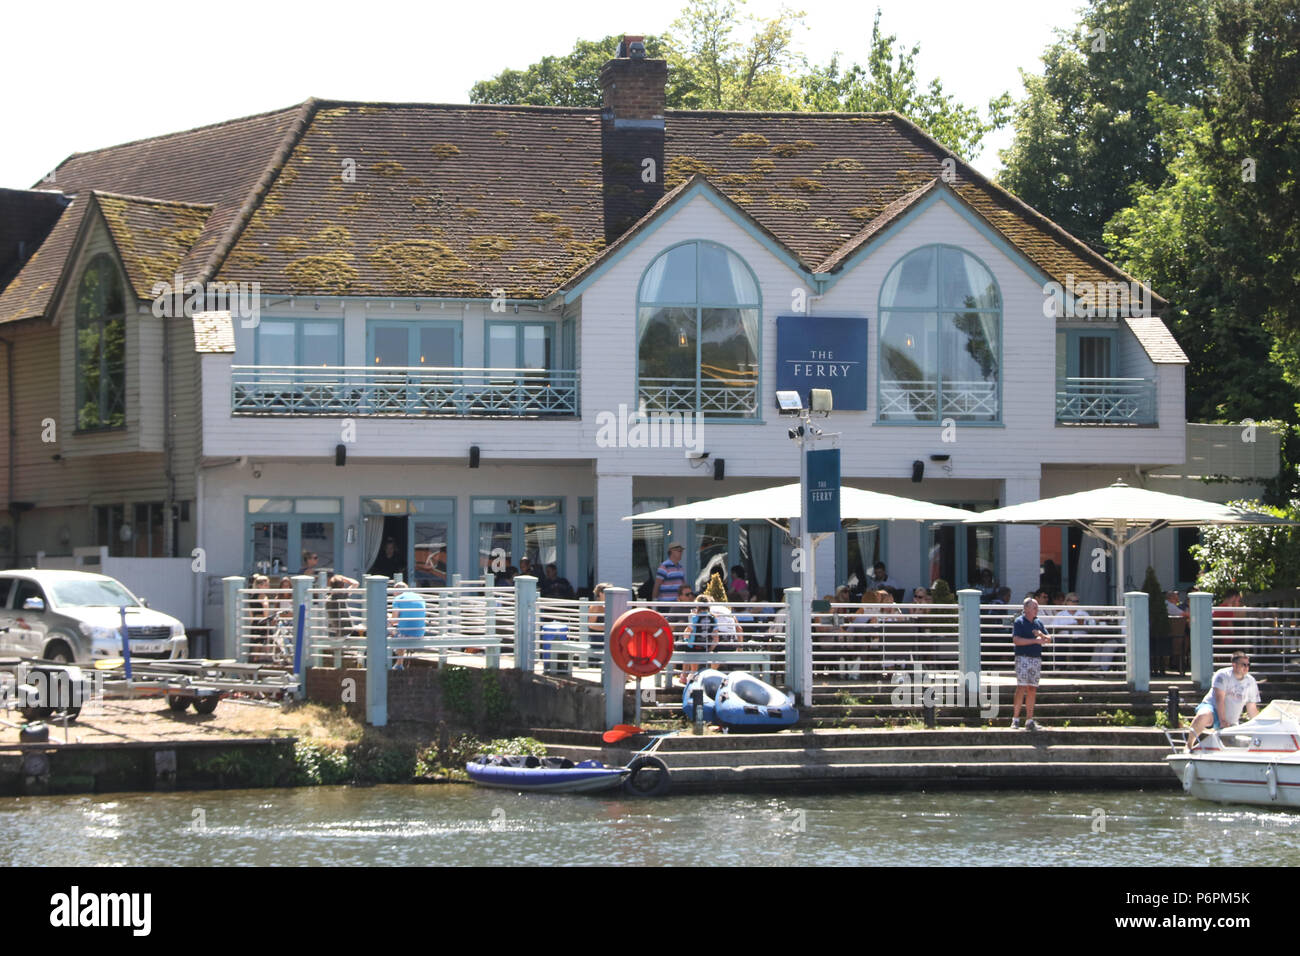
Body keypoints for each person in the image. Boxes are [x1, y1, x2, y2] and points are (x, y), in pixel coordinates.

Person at [1188, 652, 1261, 749]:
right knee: (1203, 715)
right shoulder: (1222, 675)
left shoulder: (1251, 681)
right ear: (1234, 665)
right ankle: (1188, 746)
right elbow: (1219, 699)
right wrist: (1222, 721)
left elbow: (1251, 708)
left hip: (1231, 720)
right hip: (1213, 709)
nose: (1246, 667)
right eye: (1243, 664)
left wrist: (1260, 726)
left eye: (1248, 665)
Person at [1010, 597, 1050, 730]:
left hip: (1036, 658)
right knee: (1021, 686)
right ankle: (1015, 719)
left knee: (1032, 688)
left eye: (1037, 607)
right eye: (1034, 607)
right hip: (1023, 657)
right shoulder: (1019, 622)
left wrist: (1042, 635)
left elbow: (1049, 638)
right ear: (1026, 609)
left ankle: (1029, 720)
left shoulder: (1038, 623)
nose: (1037, 610)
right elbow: (1016, 640)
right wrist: (1035, 641)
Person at [1049, 592, 1093, 672]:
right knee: (1059, 642)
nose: (1075, 603)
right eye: (1073, 601)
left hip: (1080, 636)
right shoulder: (1060, 614)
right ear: (1067, 602)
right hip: (1064, 636)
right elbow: (1053, 627)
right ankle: (1059, 667)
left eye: (1077, 601)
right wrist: (1064, 627)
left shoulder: (1083, 613)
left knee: (1085, 642)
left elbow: (1092, 625)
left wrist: (1083, 624)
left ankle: (1080, 667)